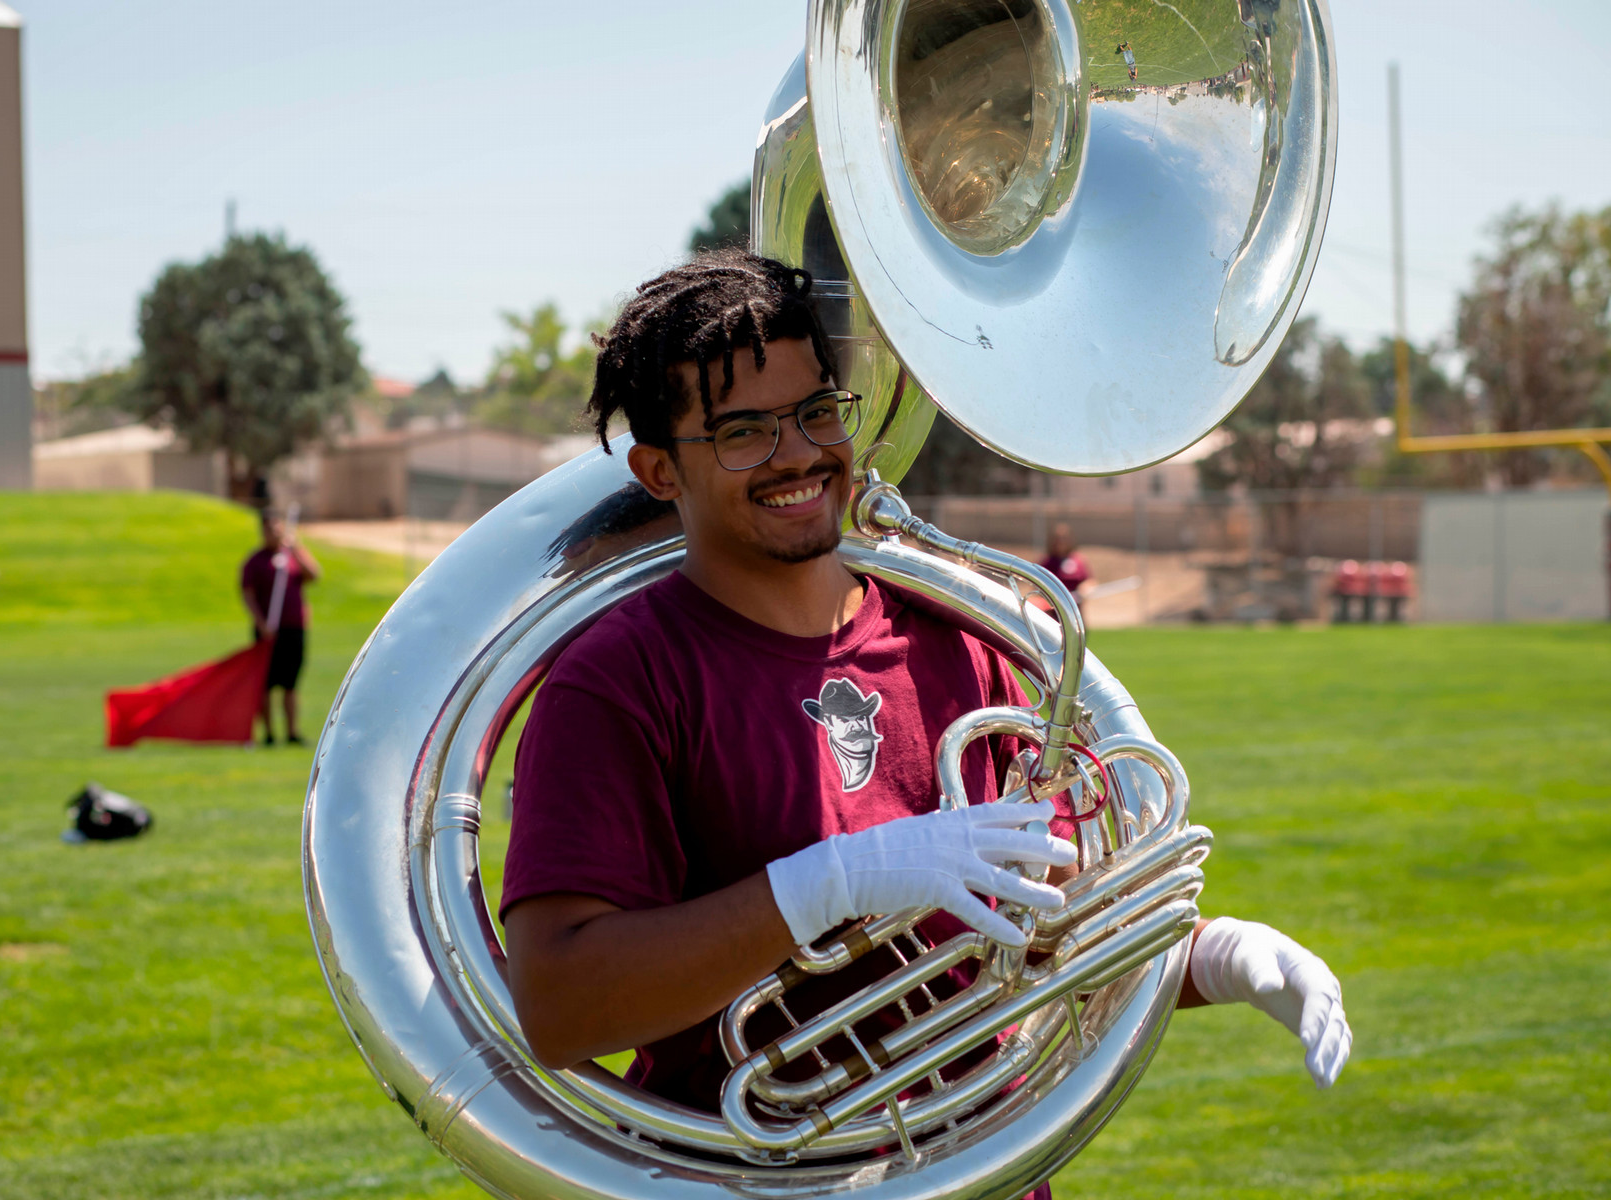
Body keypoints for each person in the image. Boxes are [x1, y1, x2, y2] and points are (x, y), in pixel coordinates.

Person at [499, 252, 1350, 1192]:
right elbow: (562, 1004)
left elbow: (1049, 927)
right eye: (742, 431)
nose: (798, 455)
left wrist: (1220, 958)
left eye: (816, 411)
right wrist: (828, 885)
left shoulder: (964, 642)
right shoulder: (614, 681)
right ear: (660, 470)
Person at [240, 509, 321, 745]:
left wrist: (296, 550)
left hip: (294, 629)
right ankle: (269, 734)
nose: (274, 534)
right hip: (268, 630)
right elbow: (247, 594)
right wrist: (261, 622)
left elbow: (314, 575)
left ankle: (292, 732)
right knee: (266, 684)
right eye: (269, 530)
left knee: (290, 683)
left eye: (277, 529)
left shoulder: (292, 556)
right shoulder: (256, 561)